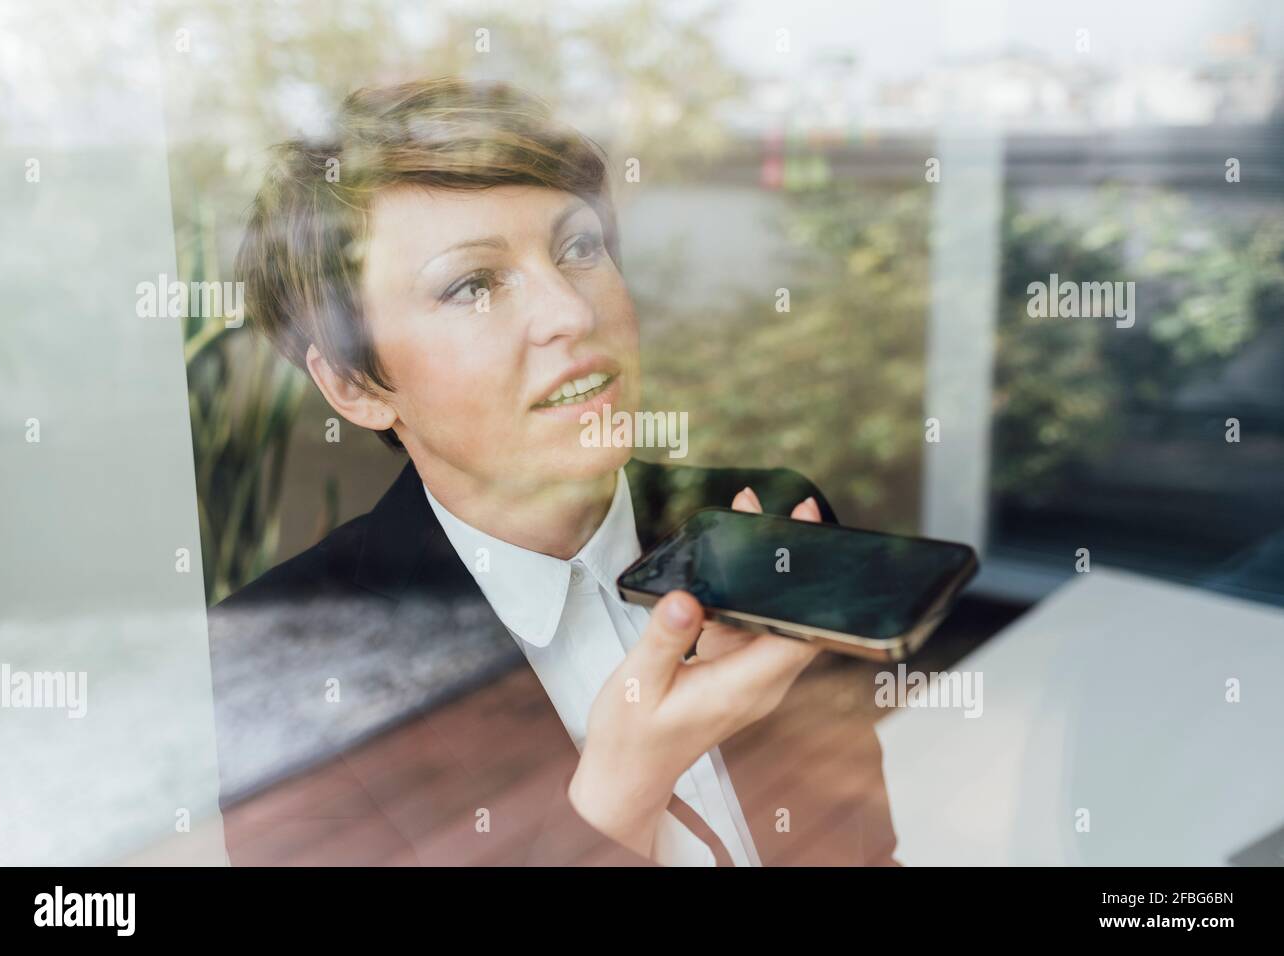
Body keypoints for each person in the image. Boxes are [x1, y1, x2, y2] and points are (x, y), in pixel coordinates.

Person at [207, 75, 897, 866]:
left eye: (579, 247)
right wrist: (620, 794)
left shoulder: (768, 521)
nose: (572, 312)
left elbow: (863, 853)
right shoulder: (278, 665)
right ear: (355, 386)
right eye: (472, 285)